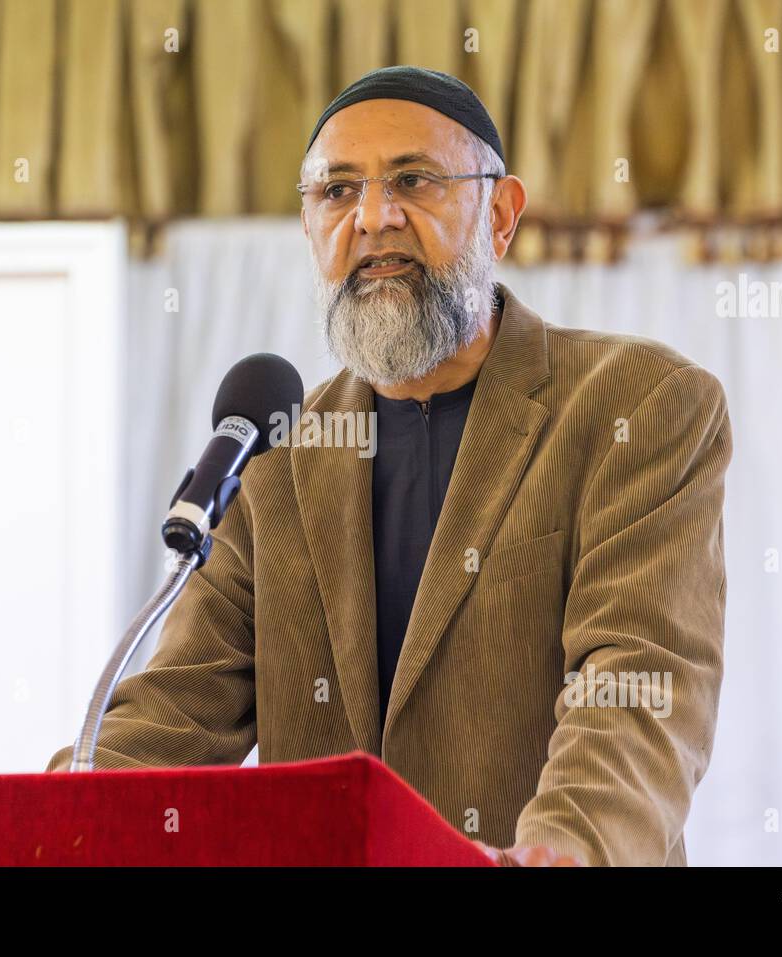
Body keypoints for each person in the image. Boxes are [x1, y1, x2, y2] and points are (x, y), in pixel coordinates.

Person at [47, 66, 732, 867]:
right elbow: (169, 719)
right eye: (337, 192)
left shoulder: (637, 405)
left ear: (501, 214)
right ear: (310, 229)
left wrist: (559, 853)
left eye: (414, 179)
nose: (373, 218)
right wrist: (51, 823)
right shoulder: (275, 457)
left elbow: (634, 686)